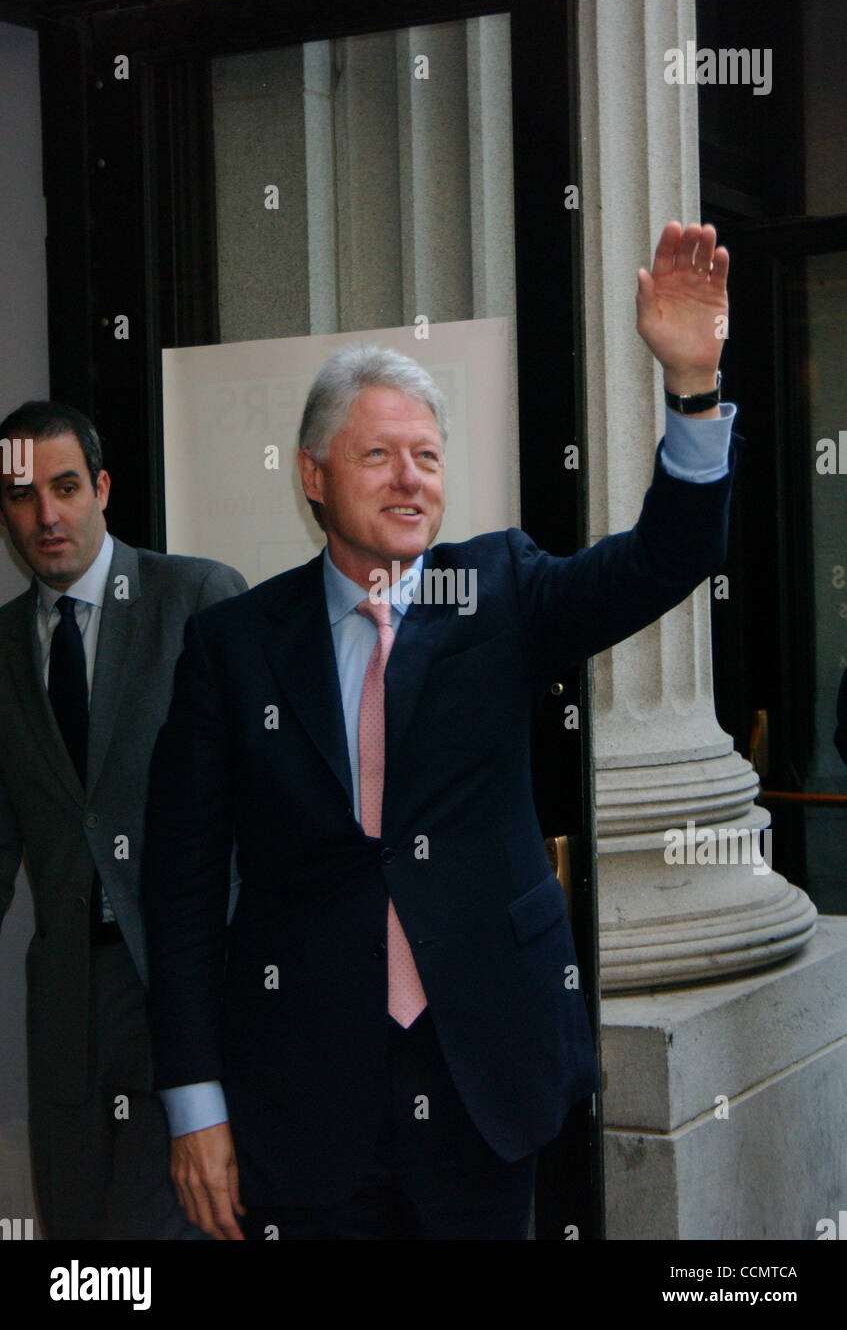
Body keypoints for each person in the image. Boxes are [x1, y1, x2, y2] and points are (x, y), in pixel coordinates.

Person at [143, 221, 738, 1240]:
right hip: (302, 1082)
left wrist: (690, 384)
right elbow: (182, 883)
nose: (409, 477)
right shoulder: (232, 646)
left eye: (426, 455)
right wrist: (195, 1102)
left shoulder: (500, 586)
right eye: (376, 455)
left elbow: (661, 559)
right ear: (313, 475)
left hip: (482, 1070)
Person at [0, 401, 246, 1239]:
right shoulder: (0, 651)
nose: (47, 516)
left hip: (182, 997)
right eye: (22, 496)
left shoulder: (197, 597)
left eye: (66, 487)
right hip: (68, 1018)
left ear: (101, 487)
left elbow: (264, 812)